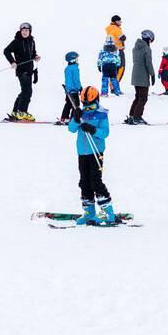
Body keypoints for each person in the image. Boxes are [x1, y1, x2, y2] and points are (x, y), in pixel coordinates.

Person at [69, 86, 114, 224]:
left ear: (97, 100)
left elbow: (105, 133)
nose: (87, 109)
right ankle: (89, 211)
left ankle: (107, 212)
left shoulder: (102, 114)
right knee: (84, 182)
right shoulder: (80, 113)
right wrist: (76, 118)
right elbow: (71, 129)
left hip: (96, 152)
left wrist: (93, 129)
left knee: (95, 181)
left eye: (91, 106)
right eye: (85, 106)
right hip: (82, 152)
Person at [3, 23, 39, 121]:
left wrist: (35, 57)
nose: (24, 32)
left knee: (24, 91)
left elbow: (33, 52)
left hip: (29, 69)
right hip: (21, 70)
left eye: (26, 30)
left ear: (29, 31)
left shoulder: (32, 41)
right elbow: (6, 51)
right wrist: (12, 62)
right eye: (23, 30)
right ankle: (22, 112)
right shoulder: (17, 41)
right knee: (27, 91)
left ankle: (15, 112)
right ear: (20, 31)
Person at [126, 29, 155, 125]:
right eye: (151, 40)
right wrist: (152, 74)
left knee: (138, 97)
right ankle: (137, 117)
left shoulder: (135, 47)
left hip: (135, 74)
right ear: (149, 39)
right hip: (142, 75)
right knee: (143, 98)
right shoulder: (146, 48)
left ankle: (131, 115)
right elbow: (148, 63)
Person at [59, 51, 82, 123]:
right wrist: (80, 88)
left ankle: (64, 117)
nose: (77, 60)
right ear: (73, 59)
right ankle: (73, 119)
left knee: (68, 104)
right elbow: (76, 80)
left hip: (68, 90)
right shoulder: (74, 68)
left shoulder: (67, 68)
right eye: (76, 59)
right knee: (76, 105)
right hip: (73, 90)